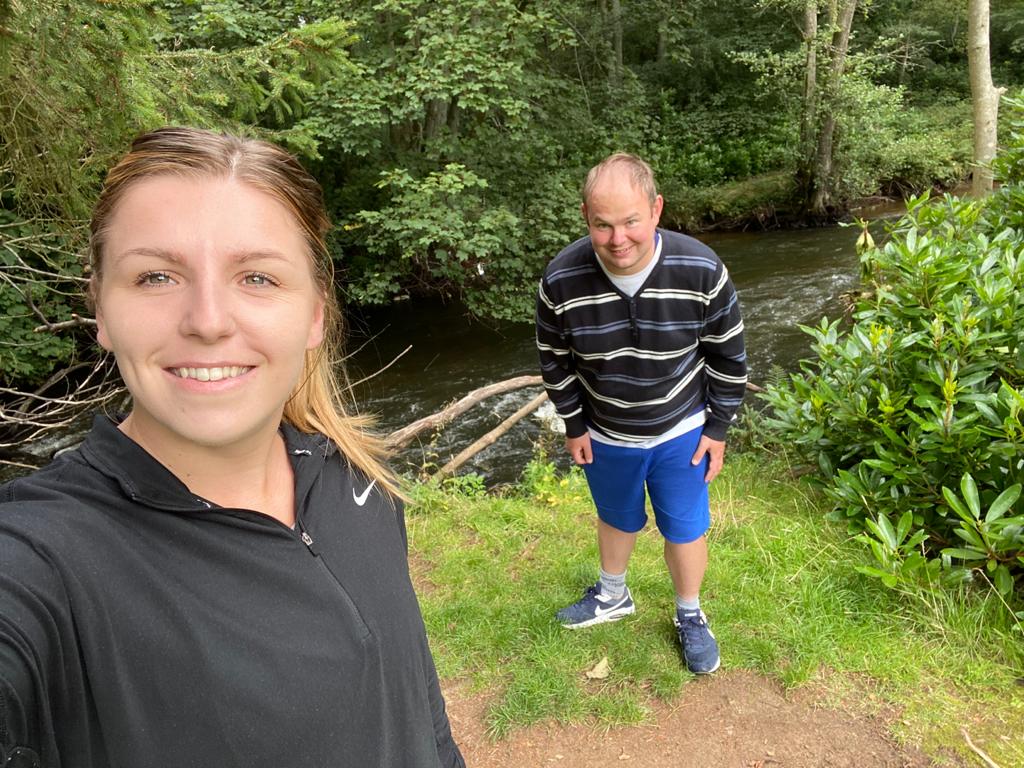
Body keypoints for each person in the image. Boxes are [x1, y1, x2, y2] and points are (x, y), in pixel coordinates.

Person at [0, 127, 465, 768]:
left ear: (314, 313)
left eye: (257, 277)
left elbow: (417, 710)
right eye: (156, 276)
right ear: (101, 308)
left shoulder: (359, 482)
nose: (209, 321)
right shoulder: (44, 559)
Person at [535, 153, 747, 675]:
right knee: (615, 516)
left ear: (656, 209)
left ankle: (690, 614)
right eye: (602, 225)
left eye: (631, 221)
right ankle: (613, 595)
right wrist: (573, 423)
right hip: (605, 431)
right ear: (585, 216)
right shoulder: (560, 279)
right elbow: (554, 361)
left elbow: (729, 357)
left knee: (685, 528)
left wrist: (718, 428)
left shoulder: (701, 268)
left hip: (683, 430)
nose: (618, 239)